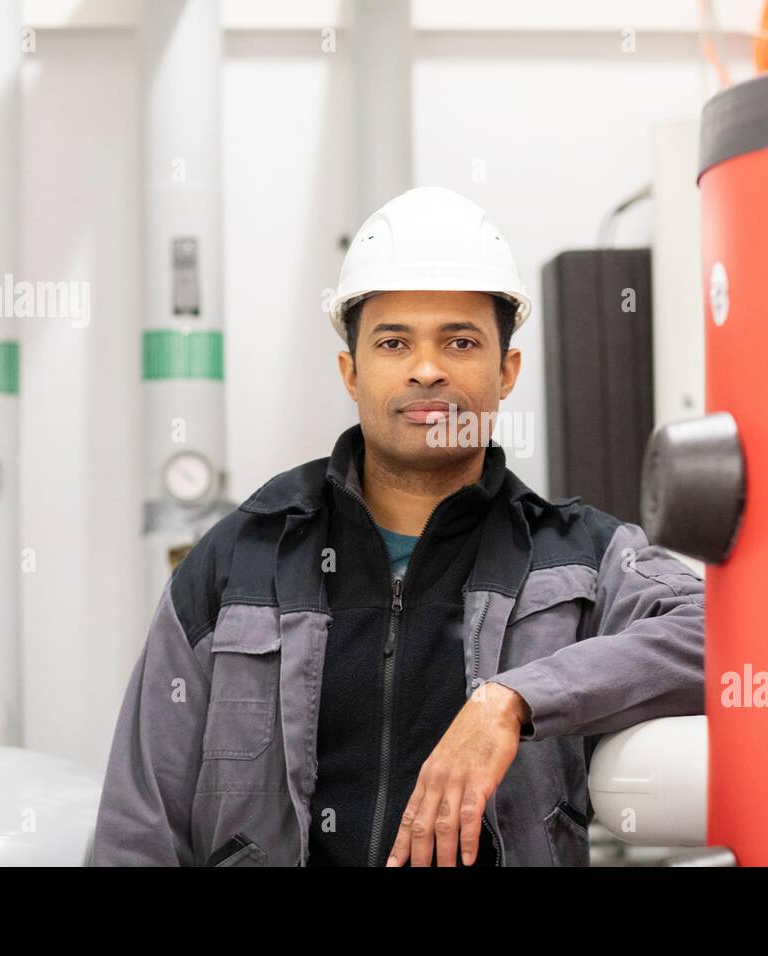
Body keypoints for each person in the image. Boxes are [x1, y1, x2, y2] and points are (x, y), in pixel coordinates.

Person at [89, 186, 706, 867]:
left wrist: (514, 700)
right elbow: (137, 827)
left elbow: (722, 636)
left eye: (460, 340)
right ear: (351, 372)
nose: (426, 368)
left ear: (507, 372)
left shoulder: (580, 558)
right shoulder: (240, 561)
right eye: (393, 341)